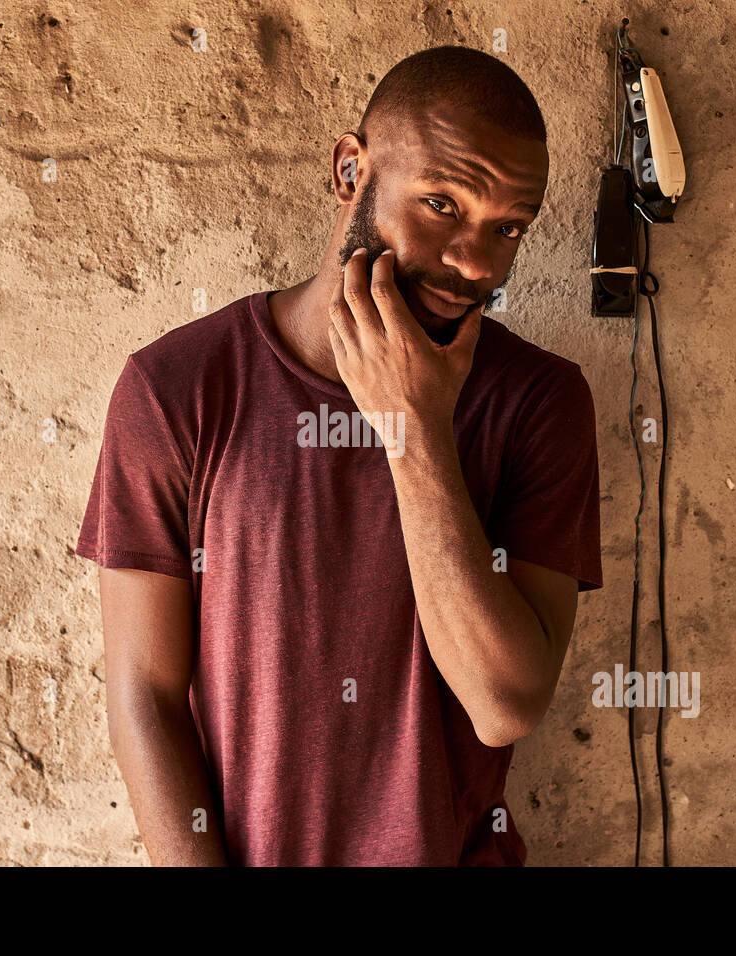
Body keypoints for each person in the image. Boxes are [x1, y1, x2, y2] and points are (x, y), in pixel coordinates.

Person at [76, 45, 603, 866]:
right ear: (351, 170)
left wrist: (413, 427)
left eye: (507, 229)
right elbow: (144, 700)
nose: (476, 263)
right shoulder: (175, 390)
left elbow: (504, 703)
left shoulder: (541, 402)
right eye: (440, 204)